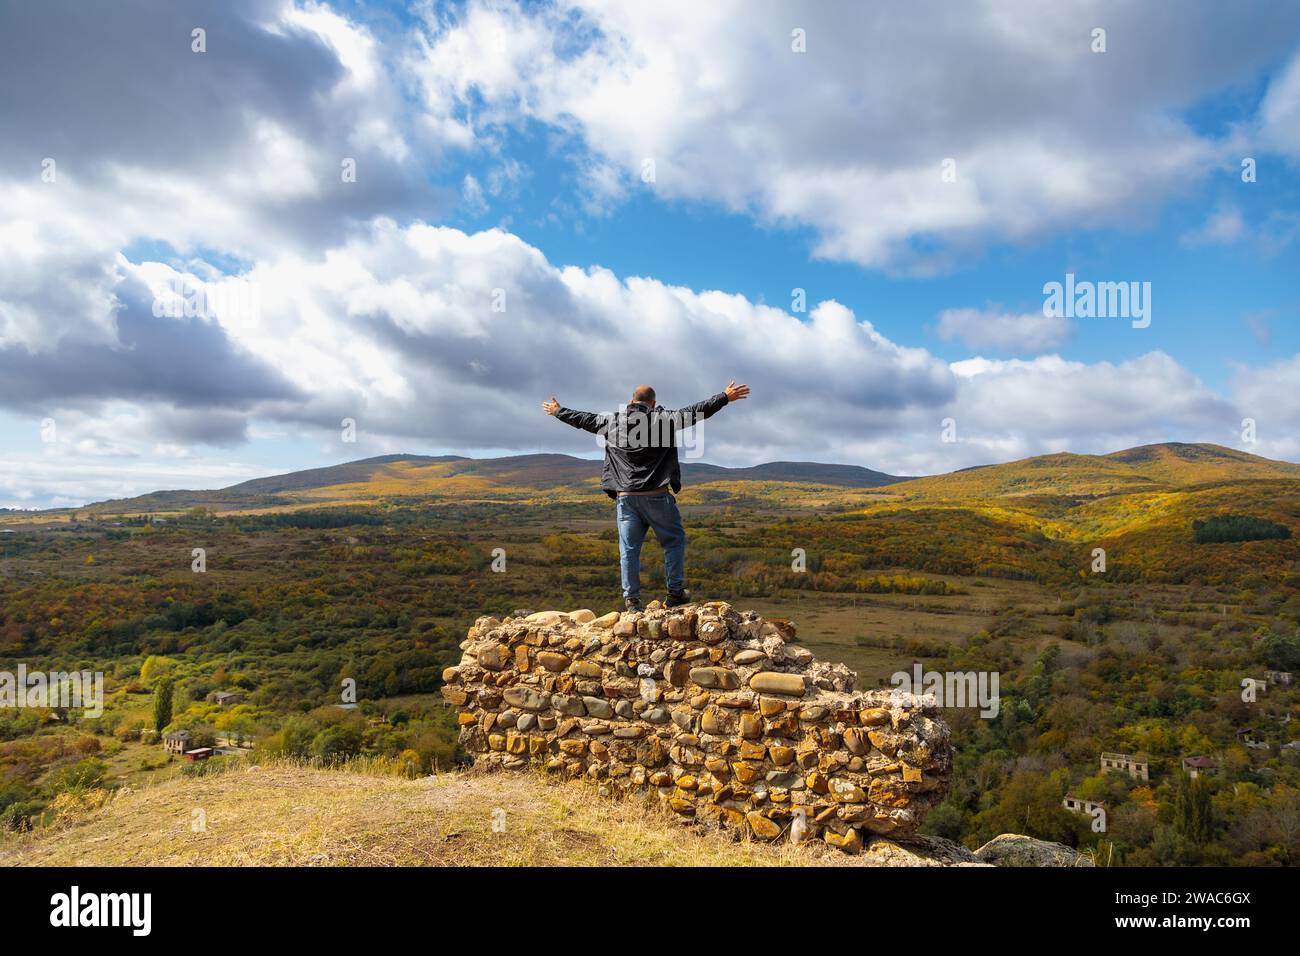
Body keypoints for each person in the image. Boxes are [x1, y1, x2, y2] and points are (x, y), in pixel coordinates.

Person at [543, 381, 750, 609]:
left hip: (626, 498)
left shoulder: (611, 421)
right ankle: (675, 595)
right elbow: (696, 411)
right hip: (657, 496)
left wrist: (557, 411)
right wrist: (724, 397)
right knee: (673, 542)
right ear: (653, 404)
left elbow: (582, 419)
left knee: (629, 551)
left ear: (631, 402)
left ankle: (632, 601)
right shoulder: (665, 420)